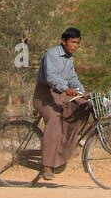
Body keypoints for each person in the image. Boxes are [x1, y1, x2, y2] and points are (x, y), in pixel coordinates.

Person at [33, 27, 92, 181]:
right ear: (63, 41)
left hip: (59, 95)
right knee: (54, 120)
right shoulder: (52, 54)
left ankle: (59, 154)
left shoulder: (69, 58)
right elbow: (51, 77)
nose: (75, 45)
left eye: (78, 43)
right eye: (73, 42)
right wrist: (66, 89)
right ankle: (47, 166)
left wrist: (81, 92)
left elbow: (73, 78)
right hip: (44, 96)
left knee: (80, 107)